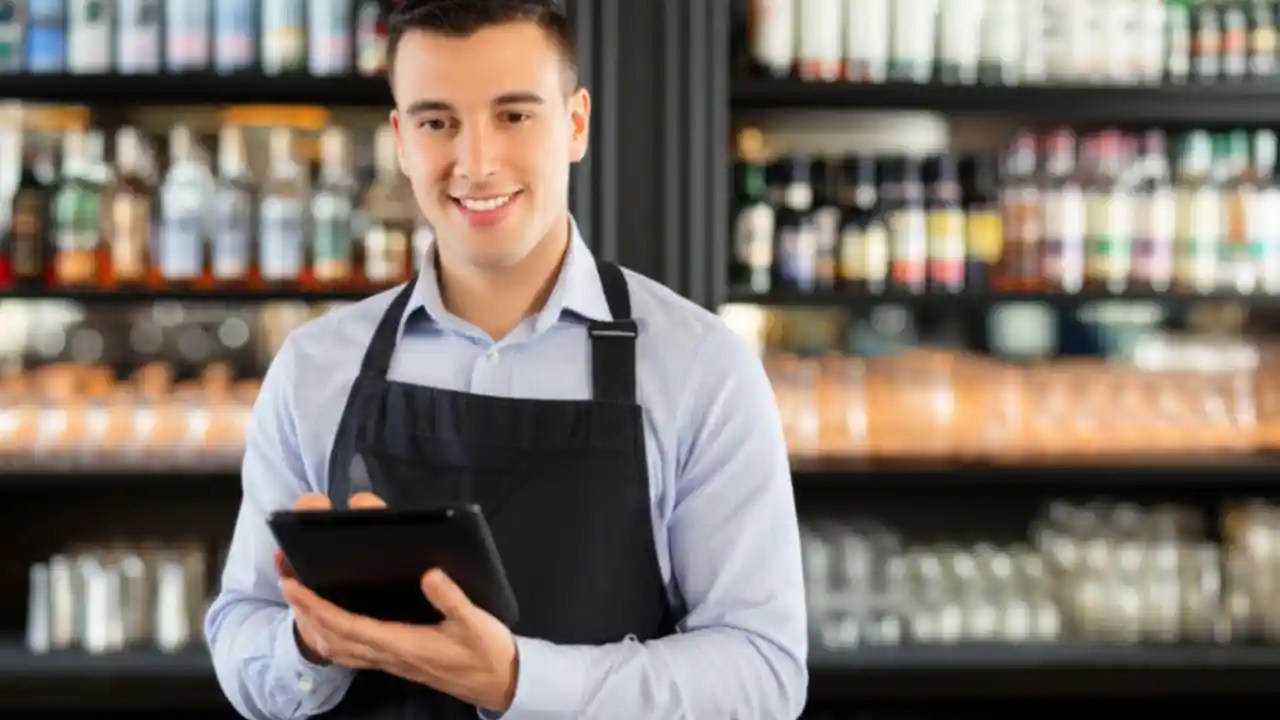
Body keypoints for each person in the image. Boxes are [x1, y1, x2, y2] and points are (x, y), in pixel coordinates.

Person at [203, 1, 808, 718]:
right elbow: (240, 632)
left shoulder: (703, 369)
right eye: (437, 122)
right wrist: (310, 645)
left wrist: (519, 681)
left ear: (576, 124)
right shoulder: (314, 368)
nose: (476, 163)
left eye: (514, 115)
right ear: (401, 139)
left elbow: (763, 676)